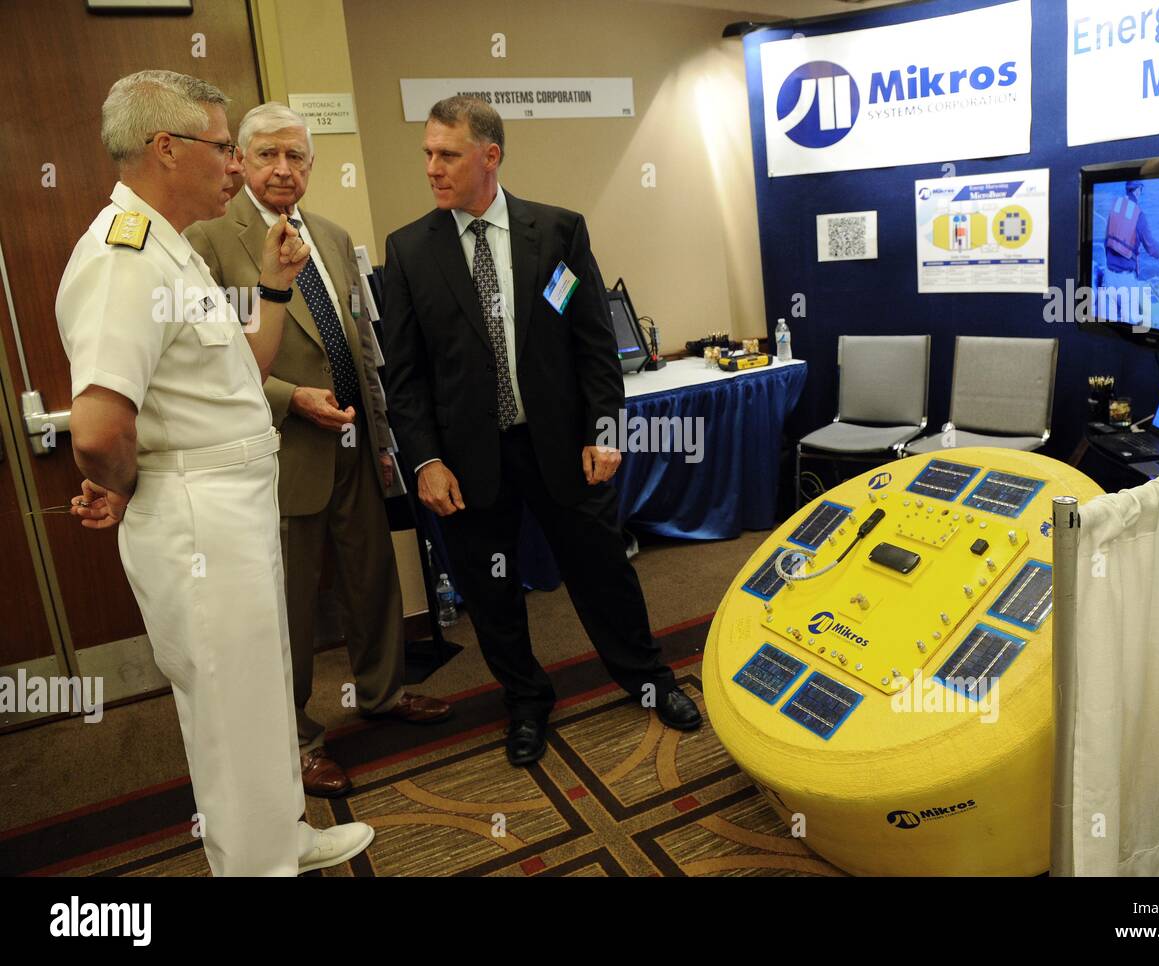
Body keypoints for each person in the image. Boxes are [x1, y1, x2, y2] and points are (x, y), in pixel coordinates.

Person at [57, 69, 372, 874]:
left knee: (259, 693)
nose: (237, 167)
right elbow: (96, 427)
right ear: (167, 147)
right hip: (195, 513)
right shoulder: (123, 257)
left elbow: (236, 370)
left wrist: (271, 286)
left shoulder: (170, 248)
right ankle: (254, 866)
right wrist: (120, 486)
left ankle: (283, 838)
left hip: (232, 505)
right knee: (228, 709)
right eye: (225, 147)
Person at [381, 96, 701, 766]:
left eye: (448, 154)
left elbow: (594, 349)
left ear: (489, 156)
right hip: (468, 461)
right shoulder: (410, 251)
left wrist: (607, 431)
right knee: (491, 591)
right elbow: (405, 377)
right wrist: (425, 461)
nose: (432, 168)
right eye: (426, 155)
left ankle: (648, 680)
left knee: (603, 572)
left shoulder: (556, 233)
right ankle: (525, 702)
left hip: (560, 448)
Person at [186, 103, 453, 799]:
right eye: (269, 155)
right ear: (240, 160)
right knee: (290, 607)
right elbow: (209, 359)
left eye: (297, 157)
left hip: (354, 443)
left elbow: (362, 342)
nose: (284, 169)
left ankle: (383, 691)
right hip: (277, 451)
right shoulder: (209, 242)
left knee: (373, 579)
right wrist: (288, 398)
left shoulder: (330, 236)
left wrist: (385, 436)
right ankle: (297, 740)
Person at [1099, 180, 1159, 326]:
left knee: (1109, 327)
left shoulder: (1114, 207)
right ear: (1138, 190)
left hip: (1109, 277)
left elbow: (1106, 240)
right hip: (1126, 282)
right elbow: (1151, 248)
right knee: (1133, 329)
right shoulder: (1139, 215)